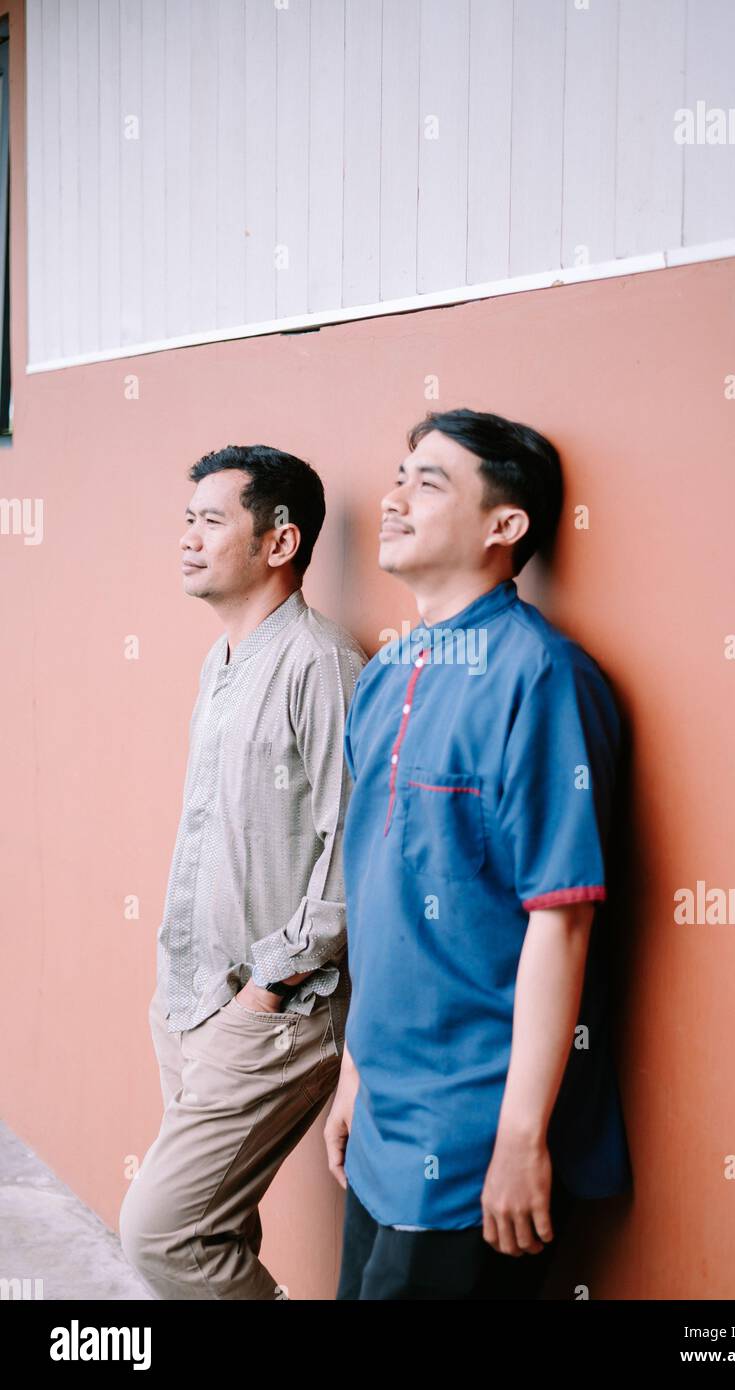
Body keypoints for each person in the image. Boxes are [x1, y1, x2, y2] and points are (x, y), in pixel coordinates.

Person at [324, 408, 631, 1299]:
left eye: (430, 482)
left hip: (470, 1131)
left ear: (505, 526)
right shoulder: (385, 676)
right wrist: (354, 1077)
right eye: (397, 475)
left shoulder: (541, 677)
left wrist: (521, 1138)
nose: (395, 497)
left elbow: (561, 920)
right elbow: (381, 895)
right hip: (384, 1114)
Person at [119, 444, 367, 1299]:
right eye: (186, 520)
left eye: (211, 520)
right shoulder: (219, 661)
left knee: (160, 1236)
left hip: (269, 1009)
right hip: (188, 997)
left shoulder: (320, 660)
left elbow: (353, 847)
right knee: (212, 1229)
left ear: (278, 542)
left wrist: (267, 987)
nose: (188, 538)